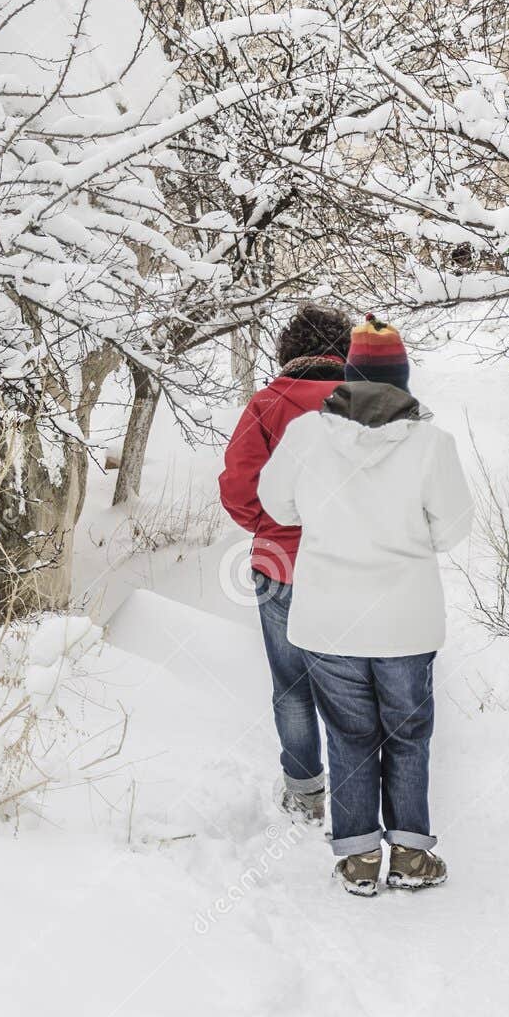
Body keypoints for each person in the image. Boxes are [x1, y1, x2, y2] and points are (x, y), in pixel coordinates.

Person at [258, 314, 473, 897]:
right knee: (407, 733)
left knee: (350, 734)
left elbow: (276, 505)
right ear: (403, 379)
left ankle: (357, 860)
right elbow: (453, 529)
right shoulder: (432, 444)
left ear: (349, 375)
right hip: (406, 620)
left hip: (329, 621)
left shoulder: (306, 435)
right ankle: (410, 852)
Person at [218, 303, 351, 824]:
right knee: (352, 683)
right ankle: (358, 791)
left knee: (292, 685)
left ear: (290, 349)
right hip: (353, 566)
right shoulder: (366, 404)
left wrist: (269, 527)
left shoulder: (267, 405)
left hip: (281, 567)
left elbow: (237, 486)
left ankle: (304, 792)